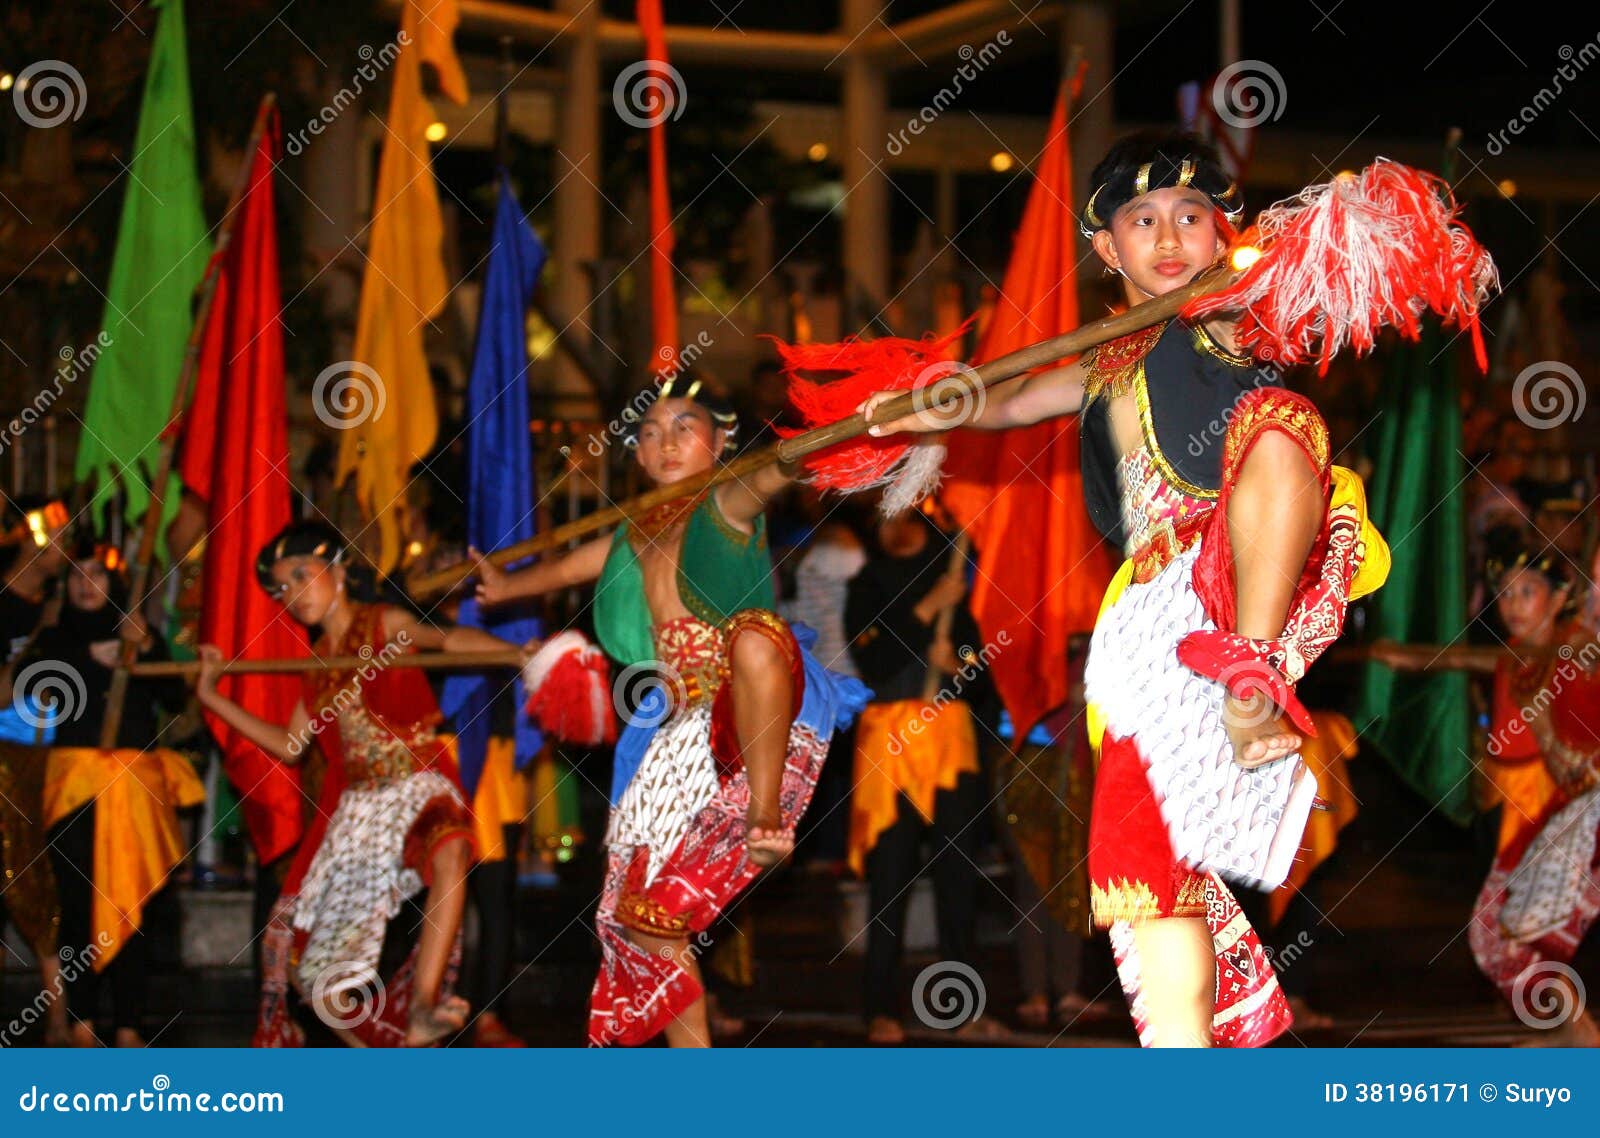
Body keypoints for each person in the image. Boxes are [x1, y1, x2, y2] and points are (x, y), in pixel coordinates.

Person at [858, 131, 1387, 1047]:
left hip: (1243, 584)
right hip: (1149, 635)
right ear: (1107, 249)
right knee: (1151, 878)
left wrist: (1328, 225)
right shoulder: (1104, 365)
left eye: (1192, 216)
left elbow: (1294, 288)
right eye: (1141, 219)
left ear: (1224, 237)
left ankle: (1252, 684)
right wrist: (913, 407)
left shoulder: (1235, 319)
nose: (1170, 234)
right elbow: (1008, 400)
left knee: (1279, 418)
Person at [475, 375, 867, 1047]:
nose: (662, 443)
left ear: (721, 442)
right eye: (649, 432)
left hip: (747, 706)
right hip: (675, 725)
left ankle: (763, 819)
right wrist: (506, 584)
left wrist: (845, 426)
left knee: (754, 633)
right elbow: (571, 567)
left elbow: (777, 470)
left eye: (683, 427)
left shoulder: (729, 499)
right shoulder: (632, 531)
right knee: (648, 920)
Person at [195, 522, 524, 1047]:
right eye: (281, 588)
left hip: (417, 782)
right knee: (312, 978)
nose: (293, 594)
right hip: (363, 811)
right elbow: (291, 744)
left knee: (450, 850)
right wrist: (213, 698)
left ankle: (421, 1004)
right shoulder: (318, 665)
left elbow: (448, 641)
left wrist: (515, 655)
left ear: (340, 570)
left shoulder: (384, 624)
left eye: (302, 575)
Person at [1377, 545, 1600, 1045]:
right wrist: (1403, 657)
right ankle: (1574, 1035)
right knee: (1505, 934)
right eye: (1504, 594)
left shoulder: (1575, 650)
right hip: (1545, 814)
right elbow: (1467, 656)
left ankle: (1580, 1036)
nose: (1513, 604)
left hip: (1576, 816)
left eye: (1527, 591)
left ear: (1562, 596)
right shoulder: (1518, 659)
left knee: (1512, 930)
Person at [28, 538, 199, 1046]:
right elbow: (33, 686)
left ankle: (128, 1024)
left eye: (96, 576)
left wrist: (144, 650)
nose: (85, 585)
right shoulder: (55, 639)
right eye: (77, 575)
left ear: (116, 584)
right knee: (78, 904)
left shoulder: (138, 634)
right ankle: (82, 1020)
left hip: (132, 790)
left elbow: (174, 696)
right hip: (74, 788)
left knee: (133, 900)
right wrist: (87, 659)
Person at [843, 507, 993, 1044]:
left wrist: (959, 664)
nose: (895, 527)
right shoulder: (865, 586)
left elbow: (979, 663)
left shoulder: (949, 576)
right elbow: (874, 662)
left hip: (949, 742)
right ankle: (879, 1009)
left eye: (905, 515)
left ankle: (963, 1008)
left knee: (957, 877)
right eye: (883, 517)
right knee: (891, 879)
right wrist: (928, 610)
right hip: (893, 743)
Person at [0, 495, 72, 1045]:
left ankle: (61, 1015)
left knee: (45, 882)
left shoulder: (66, 604)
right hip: (9, 760)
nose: (65, 544)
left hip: (59, 765)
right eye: (57, 532)